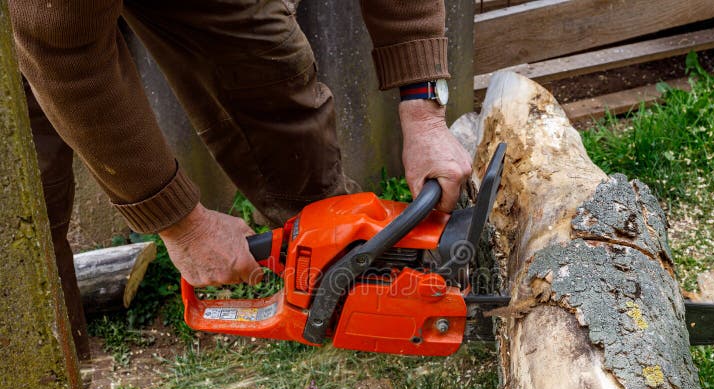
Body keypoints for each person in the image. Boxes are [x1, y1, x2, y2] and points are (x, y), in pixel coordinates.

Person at [10, 0, 472, 357]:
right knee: (28, 204)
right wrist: (180, 222)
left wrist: (423, 103)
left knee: (270, 70)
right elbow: (61, 48)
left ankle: (341, 293)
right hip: (46, 22)